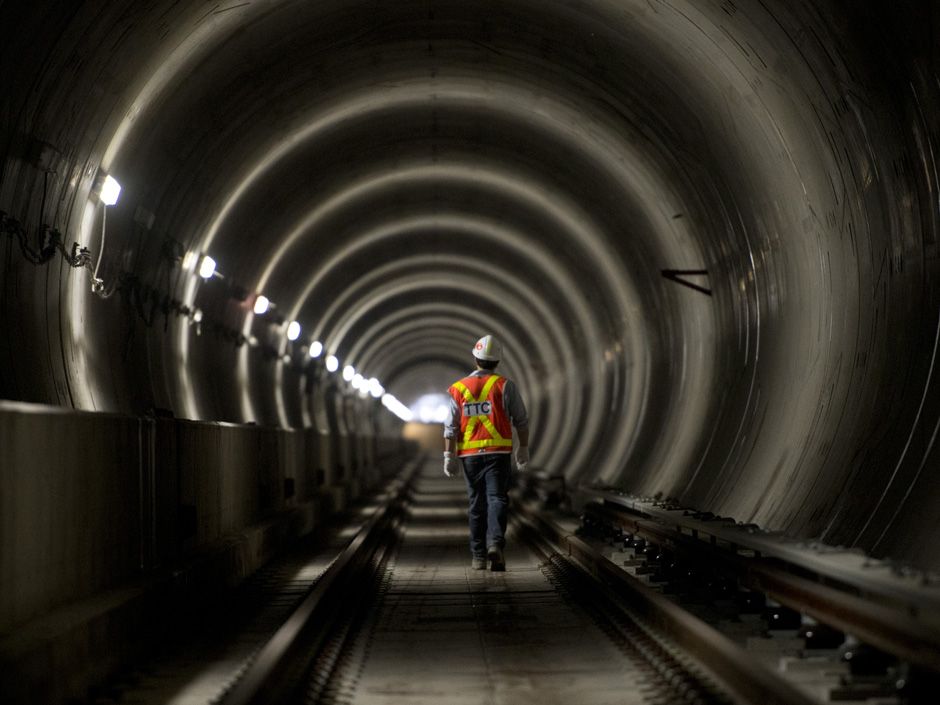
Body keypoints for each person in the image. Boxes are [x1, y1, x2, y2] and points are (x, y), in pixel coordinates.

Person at [443, 334, 530, 571]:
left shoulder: (458, 389)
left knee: (476, 503)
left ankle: (478, 556)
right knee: (497, 499)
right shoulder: (505, 386)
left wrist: (448, 456)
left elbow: (450, 427)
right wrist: (523, 448)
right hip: (498, 453)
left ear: (475, 358)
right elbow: (521, 421)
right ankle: (495, 545)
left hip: (469, 457)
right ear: (497, 361)